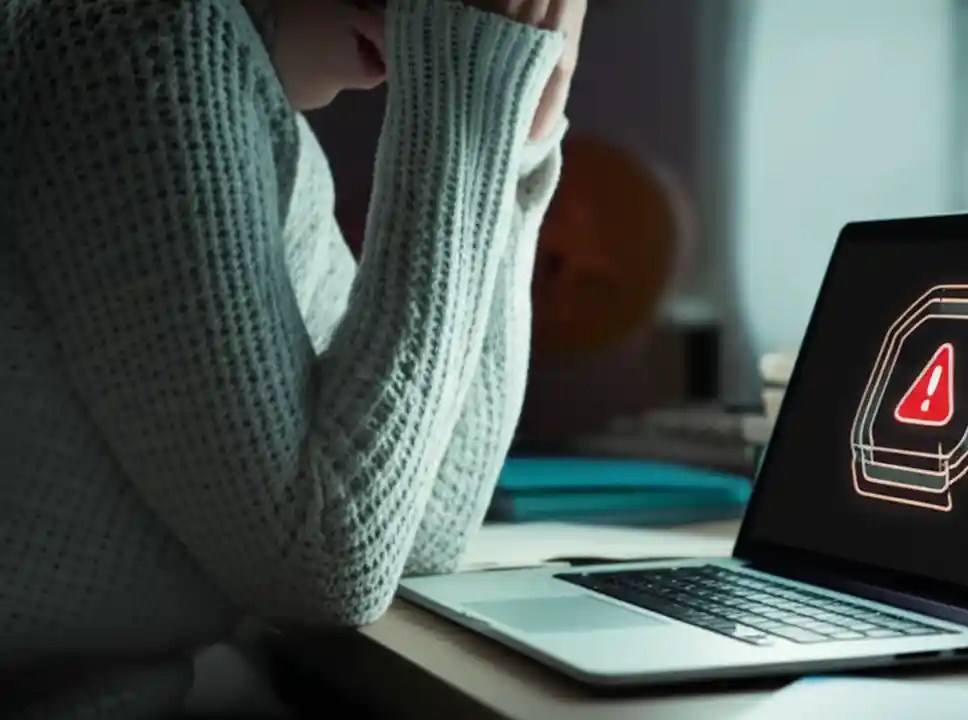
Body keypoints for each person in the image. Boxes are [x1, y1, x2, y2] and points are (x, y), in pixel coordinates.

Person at [0, 0, 585, 716]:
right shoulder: (137, 31)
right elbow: (330, 565)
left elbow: (419, 533)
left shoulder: (266, 125)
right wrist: (466, 82)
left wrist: (511, 129)